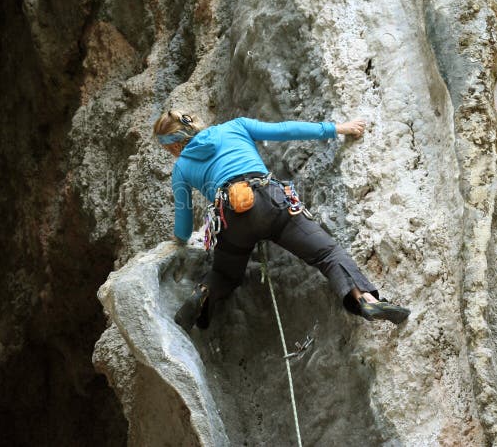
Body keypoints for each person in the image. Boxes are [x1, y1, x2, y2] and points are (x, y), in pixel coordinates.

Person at [153, 110, 410, 330]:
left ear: (175, 146)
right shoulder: (235, 126)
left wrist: (180, 240)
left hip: (230, 218)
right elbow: (286, 130)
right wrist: (339, 128)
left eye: (169, 151)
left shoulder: (181, 168)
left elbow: (183, 226)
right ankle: (366, 299)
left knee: (224, 272)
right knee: (328, 254)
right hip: (271, 200)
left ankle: (205, 292)